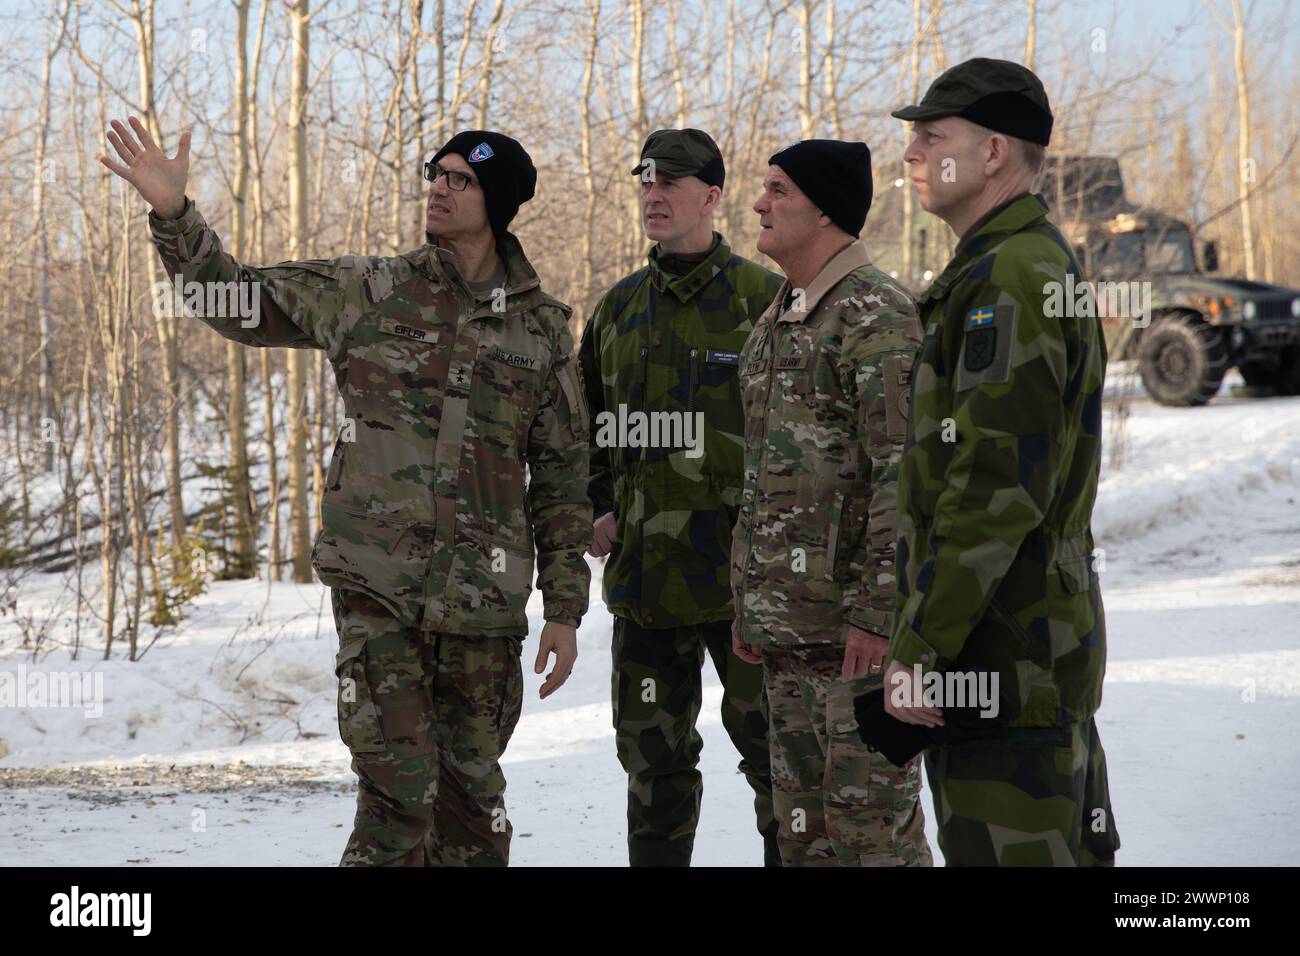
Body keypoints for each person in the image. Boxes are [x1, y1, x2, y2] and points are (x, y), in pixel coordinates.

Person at [100, 118, 591, 866]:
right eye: (437, 171)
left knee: (474, 812)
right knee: (397, 803)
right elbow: (235, 300)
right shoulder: (367, 290)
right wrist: (175, 215)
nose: (439, 186)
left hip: (484, 612)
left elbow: (561, 476)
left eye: (461, 178)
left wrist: (563, 609)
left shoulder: (543, 329)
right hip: (380, 592)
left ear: (498, 200)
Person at [885, 58, 1120, 866]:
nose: (911, 155)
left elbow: (993, 489)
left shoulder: (1010, 277)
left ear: (992, 153)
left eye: (930, 136)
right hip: (1015, 657)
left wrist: (920, 648)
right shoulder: (999, 266)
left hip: (1005, 663)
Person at [579, 129, 784, 866]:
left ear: (712, 195)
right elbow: (585, 431)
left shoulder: (765, 302)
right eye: (644, 182)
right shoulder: (617, 310)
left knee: (778, 765)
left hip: (745, 588)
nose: (654, 195)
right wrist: (594, 504)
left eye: (671, 182)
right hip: (645, 585)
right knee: (651, 764)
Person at [730, 139, 932, 866]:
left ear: (824, 209)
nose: (759, 203)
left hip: (860, 647)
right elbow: (764, 474)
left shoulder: (877, 315)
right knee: (805, 842)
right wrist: (752, 600)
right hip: (789, 638)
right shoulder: (779, 318)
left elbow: (904, 476)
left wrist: (878, 617)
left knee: (872, 841)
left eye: (778, 190)